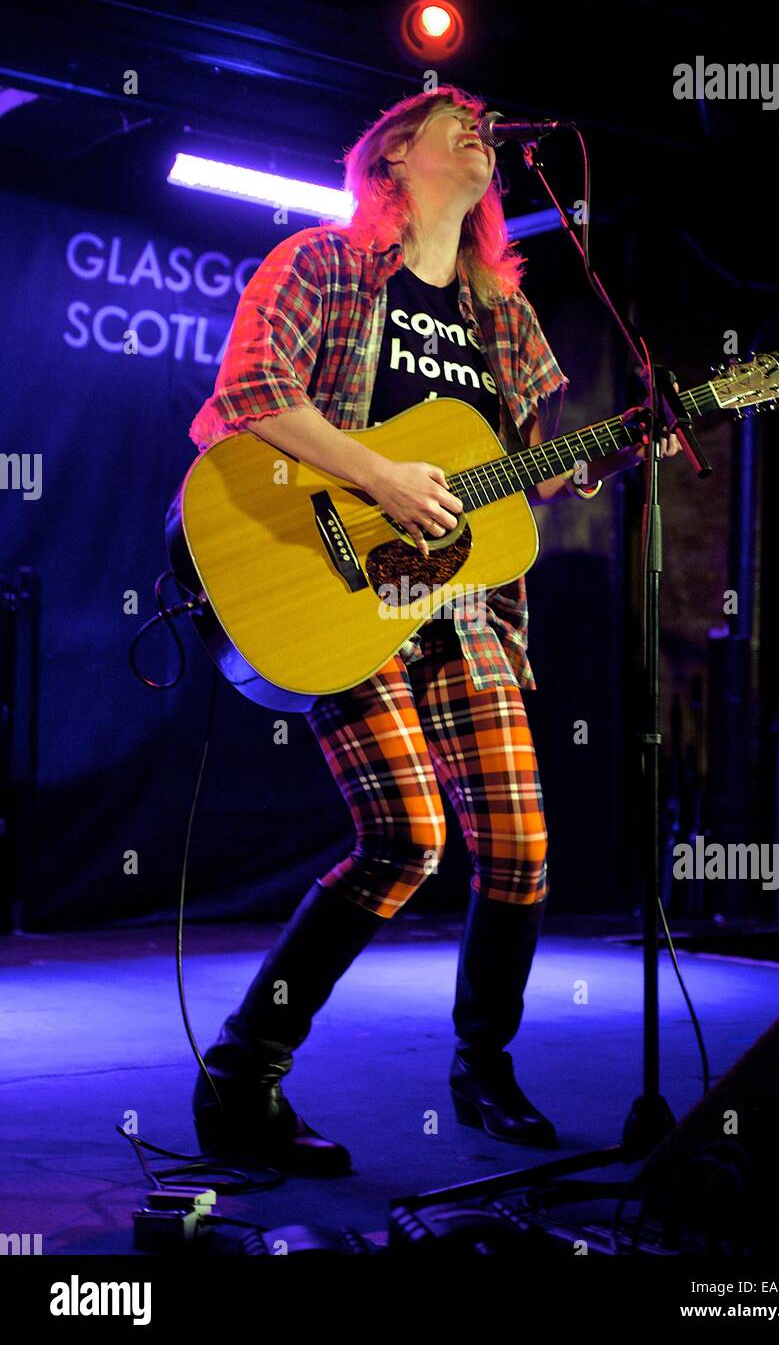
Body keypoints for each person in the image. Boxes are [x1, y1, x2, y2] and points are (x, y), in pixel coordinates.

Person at [188, 84, 682, 1175]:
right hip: (339, 586)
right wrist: (379, 476)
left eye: (485, 125)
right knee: (407, 840)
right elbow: (250, 392)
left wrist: (630, 437)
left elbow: (536, 476)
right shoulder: (322, 264)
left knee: (518, 852)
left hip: (467, 609)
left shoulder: (506, 317)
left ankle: (483, 1062)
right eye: (455, 118)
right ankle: (241, 1073)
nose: (483, 130)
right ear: (394, 154)